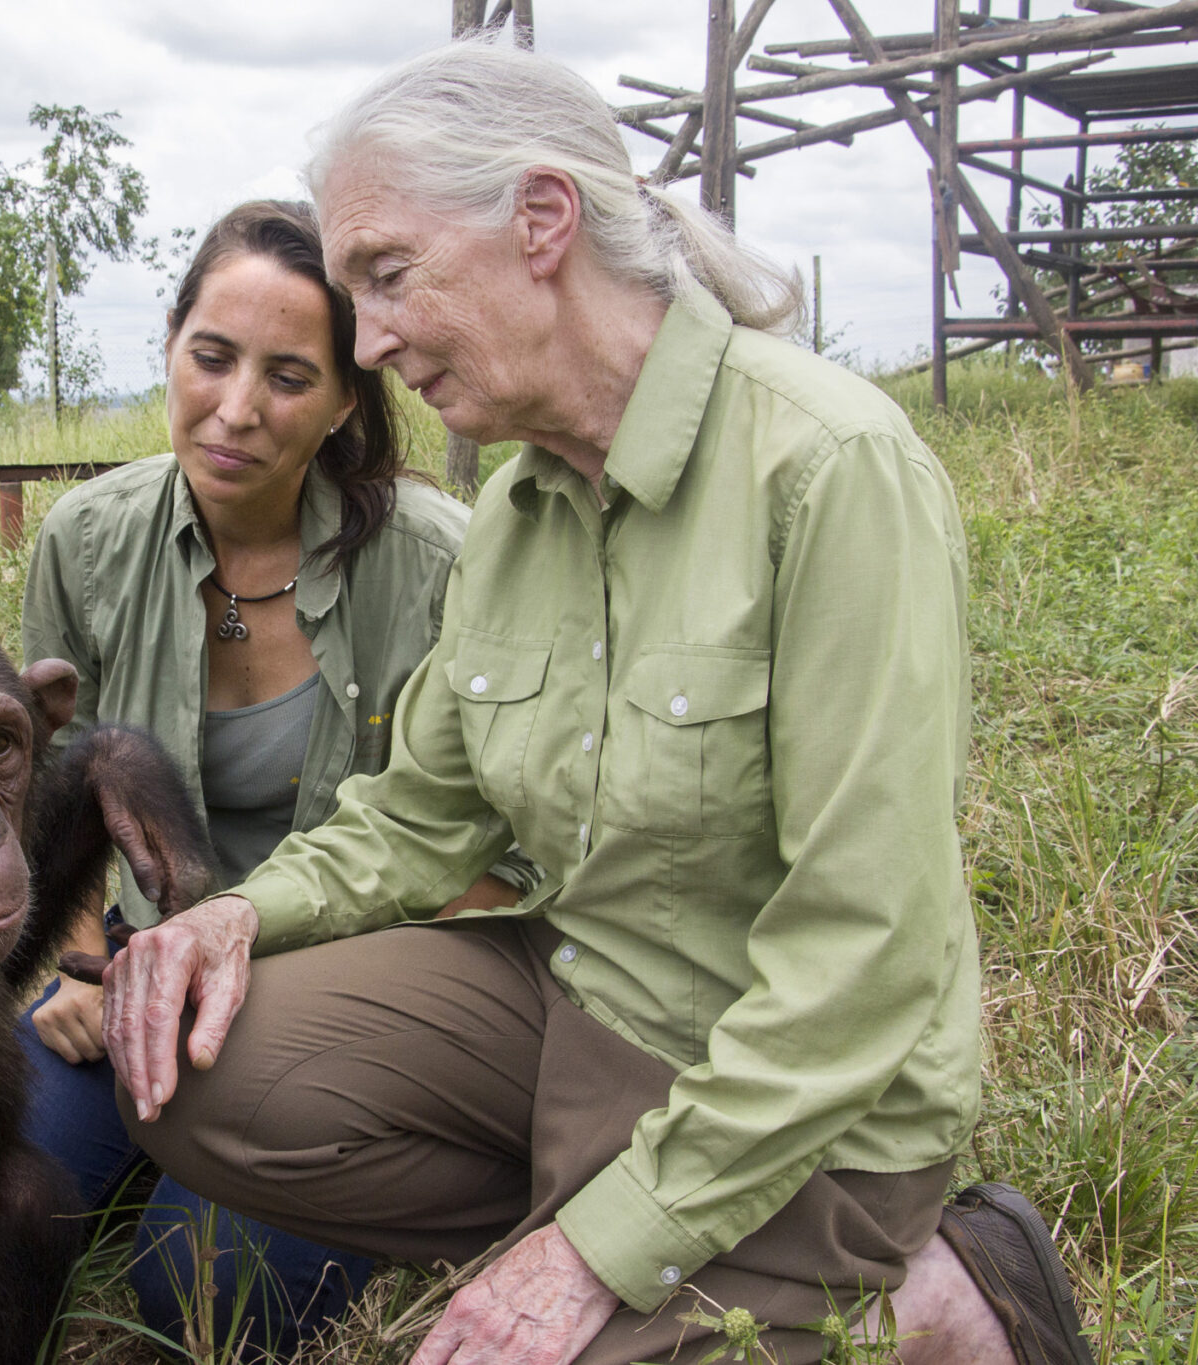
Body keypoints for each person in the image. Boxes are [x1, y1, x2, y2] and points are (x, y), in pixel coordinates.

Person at [100, 42, 1094, 1365]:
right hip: (583, 1010)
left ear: (544, 220)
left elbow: (867, 953)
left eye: (389, 278)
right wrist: (234, 914)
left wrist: (596, 1251)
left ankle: (944, 1291)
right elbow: (419, 818)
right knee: (194, 1065)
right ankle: (637, 1261)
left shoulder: (831, 468)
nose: (374, 343)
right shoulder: (517, 505)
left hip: (810, 1100)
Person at [15, 199, 539, 1357]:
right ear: (169, 345)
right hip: (144, 969)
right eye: (211, 358)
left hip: (339, 992)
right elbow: (56, 798)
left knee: (201, 1288)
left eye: (290, 376)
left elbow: (496, 861)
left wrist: (268, 965)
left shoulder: (441, 562)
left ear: (349, 396)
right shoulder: (86, 541)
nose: (237, 409)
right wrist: (85, 965)